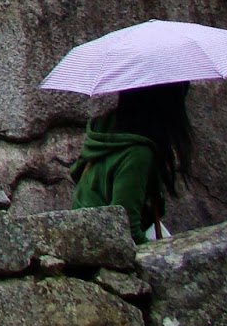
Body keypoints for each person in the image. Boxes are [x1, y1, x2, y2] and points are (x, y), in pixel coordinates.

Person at [70, 81, 194, 244]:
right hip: (101, 245)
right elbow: (126, 232)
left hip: (81, 235)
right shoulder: (138, 154)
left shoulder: (105, 130)